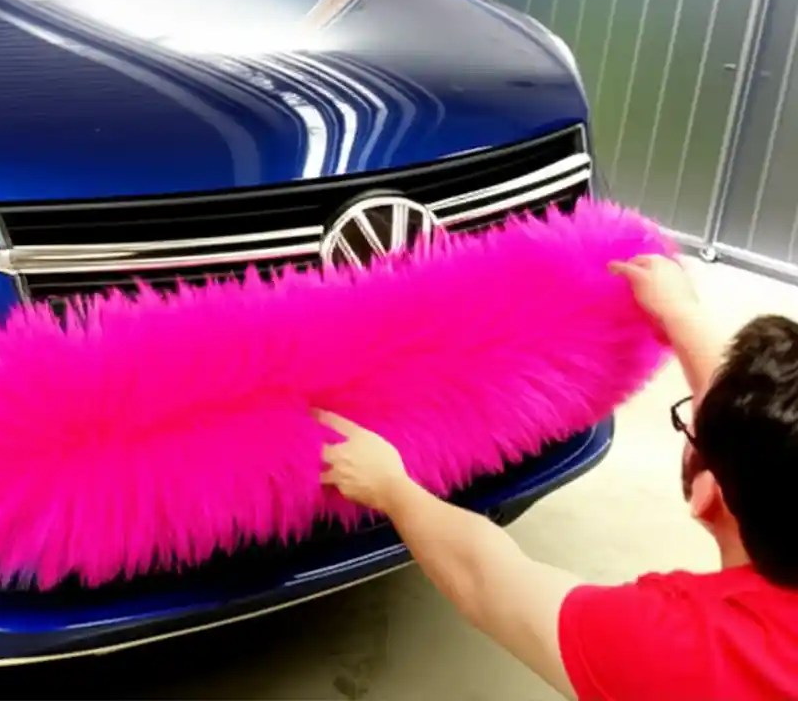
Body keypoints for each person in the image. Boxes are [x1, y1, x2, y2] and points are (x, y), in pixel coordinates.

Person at [315, 254, 798, 700]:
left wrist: (392, 488)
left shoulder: (686, 657)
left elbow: (489, 583)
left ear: (705, 493)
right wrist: (682, 313)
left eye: (687, 424)